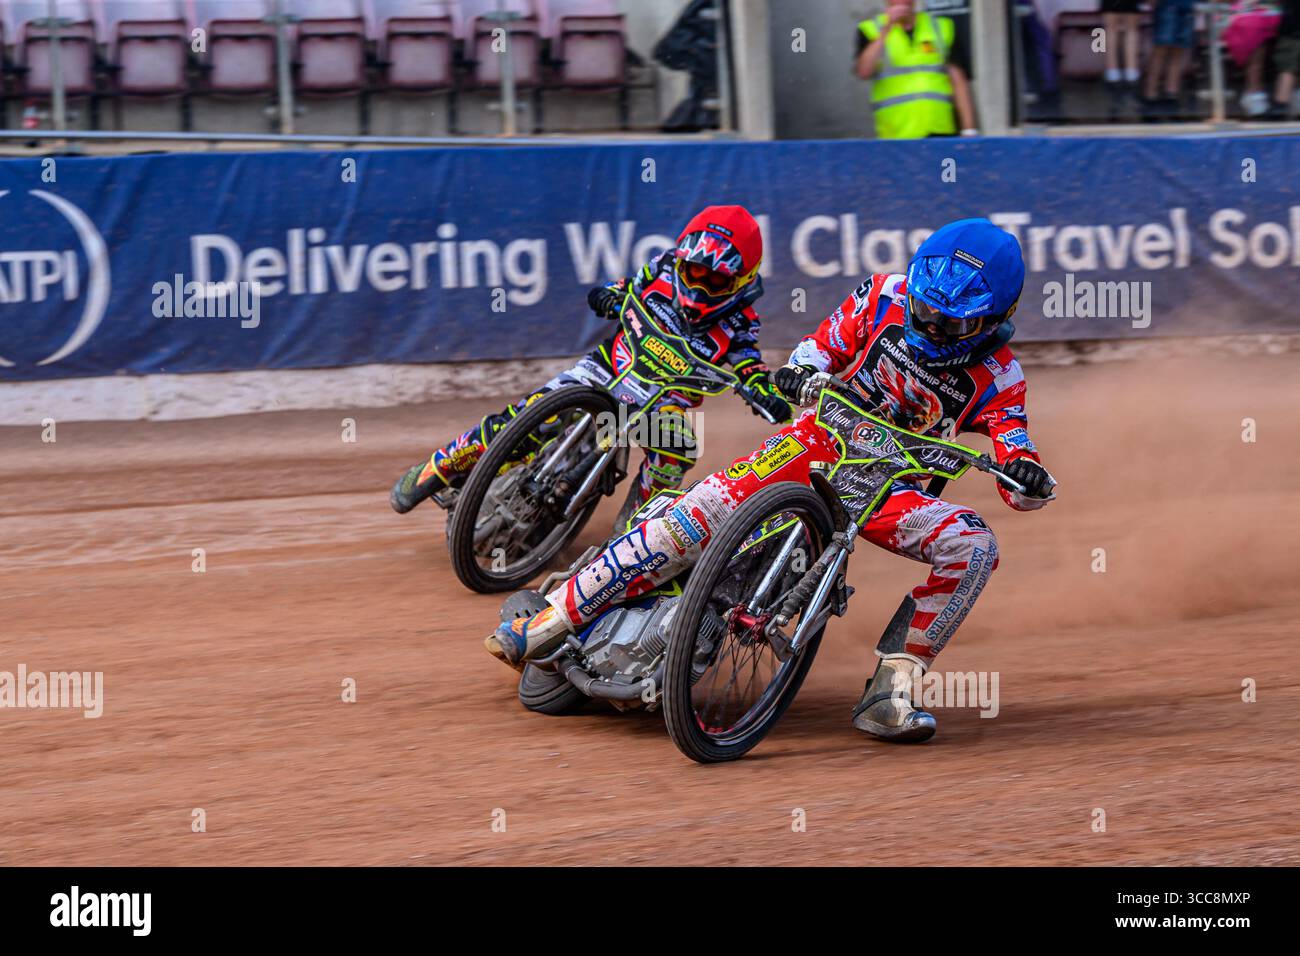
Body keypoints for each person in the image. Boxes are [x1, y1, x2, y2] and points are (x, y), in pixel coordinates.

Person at [487, 219, 1057, 744]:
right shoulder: (883, 294)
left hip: (890, 494)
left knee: (975, 547)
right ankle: (548, 621)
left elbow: (1017, 465)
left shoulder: (1001, 376)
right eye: (924, 309)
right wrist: (802, 371)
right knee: (700, 511)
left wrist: (1028, 476)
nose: (929, 325)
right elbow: (822, 345)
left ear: (992, 319)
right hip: (810, 444)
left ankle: (892, 691)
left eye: (950, 322)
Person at [389, 205, 790, 527]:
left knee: (679, 448)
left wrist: (764, 393)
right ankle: (438, 467)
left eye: (714, 278)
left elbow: (750, 364)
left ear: (741, 280)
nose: (700, 283)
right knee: (526, 415)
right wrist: (609, 294)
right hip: (604, 371)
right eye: (694, 270)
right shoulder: (664, 266)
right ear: (682, 260)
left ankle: (635, 534)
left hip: (659, 406)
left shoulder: (740, 325)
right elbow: (629, 284)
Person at [854, 0, 977, 139]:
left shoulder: (941, 27)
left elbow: (958, 81)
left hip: (940, 127)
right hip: (896, 133)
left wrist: (969, 129)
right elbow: (863, 72)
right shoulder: (870, 29)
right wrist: (886, 29)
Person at [1142, 0, 1197, 117]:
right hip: (1167, 5)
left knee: (1178, 51)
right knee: (1160, 49)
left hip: (1187, 6)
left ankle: (1171, 93)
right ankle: (1150, 94)